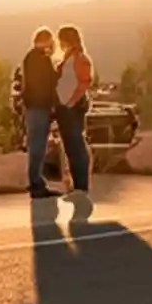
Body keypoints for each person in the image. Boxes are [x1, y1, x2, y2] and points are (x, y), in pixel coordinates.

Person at [18, 27, 61, 199]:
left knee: (38, 146)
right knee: (37, 146)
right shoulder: (39, 59)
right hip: (38, 107)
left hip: (37, 107)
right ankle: (36, 183)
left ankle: (37, 181)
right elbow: (45, 83)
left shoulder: (32, 58)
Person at [54, 24, 95, 200]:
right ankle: (76, 185)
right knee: (70, 147)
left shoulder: (80, 59)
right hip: (64, 107)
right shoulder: (68, 58)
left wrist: (71, 101)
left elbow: (85, 82)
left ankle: (81, 185)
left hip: (72, 107)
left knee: (76, 145)